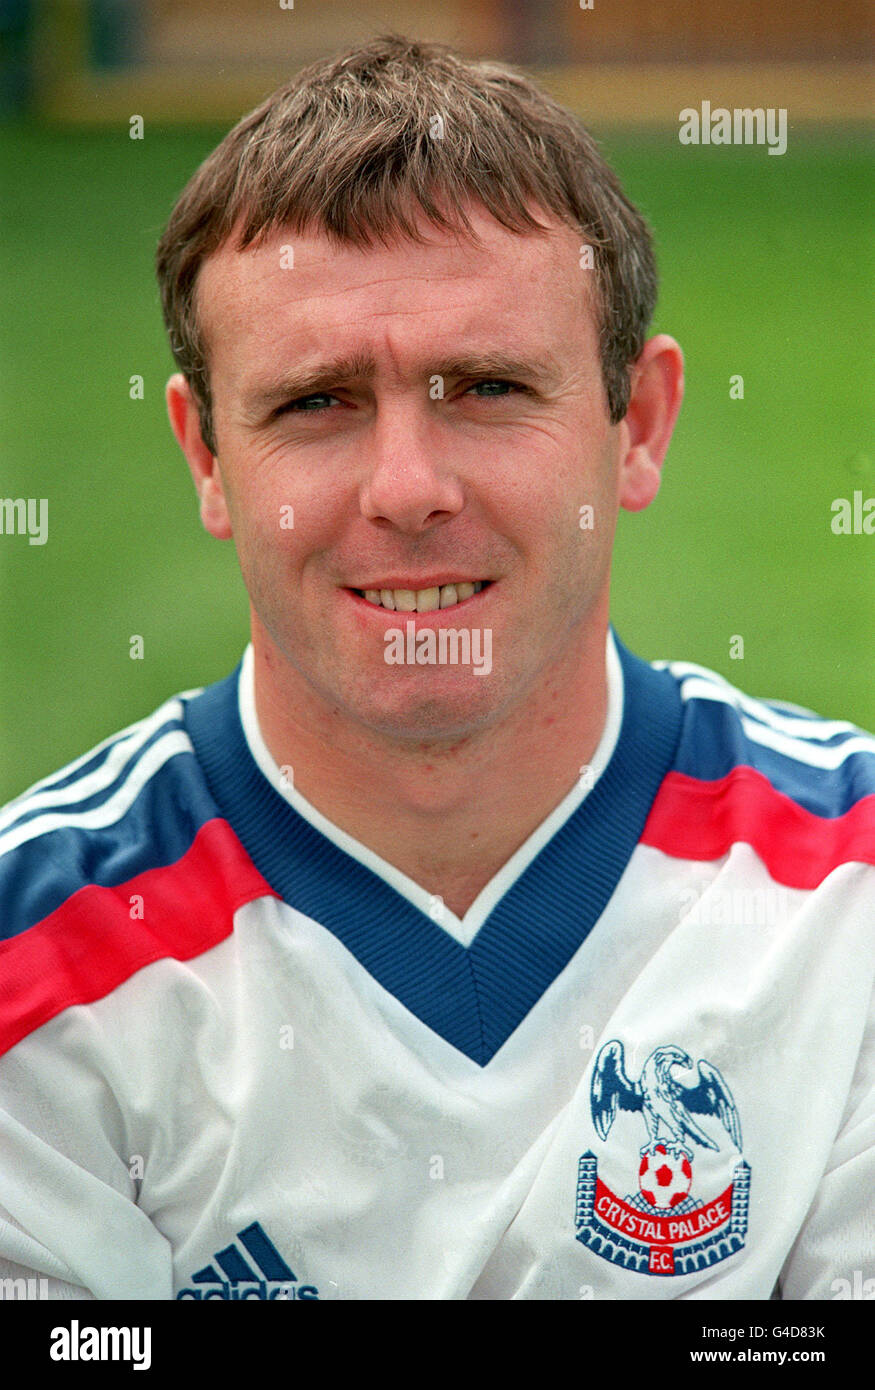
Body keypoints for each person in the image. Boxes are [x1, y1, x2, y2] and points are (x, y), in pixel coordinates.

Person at [0, 35, 872, 1302]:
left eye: (486, 386)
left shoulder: (847, 894)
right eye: (316, 403)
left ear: (638, 424)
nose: (408, 489)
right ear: (205, 456)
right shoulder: (36, 961)